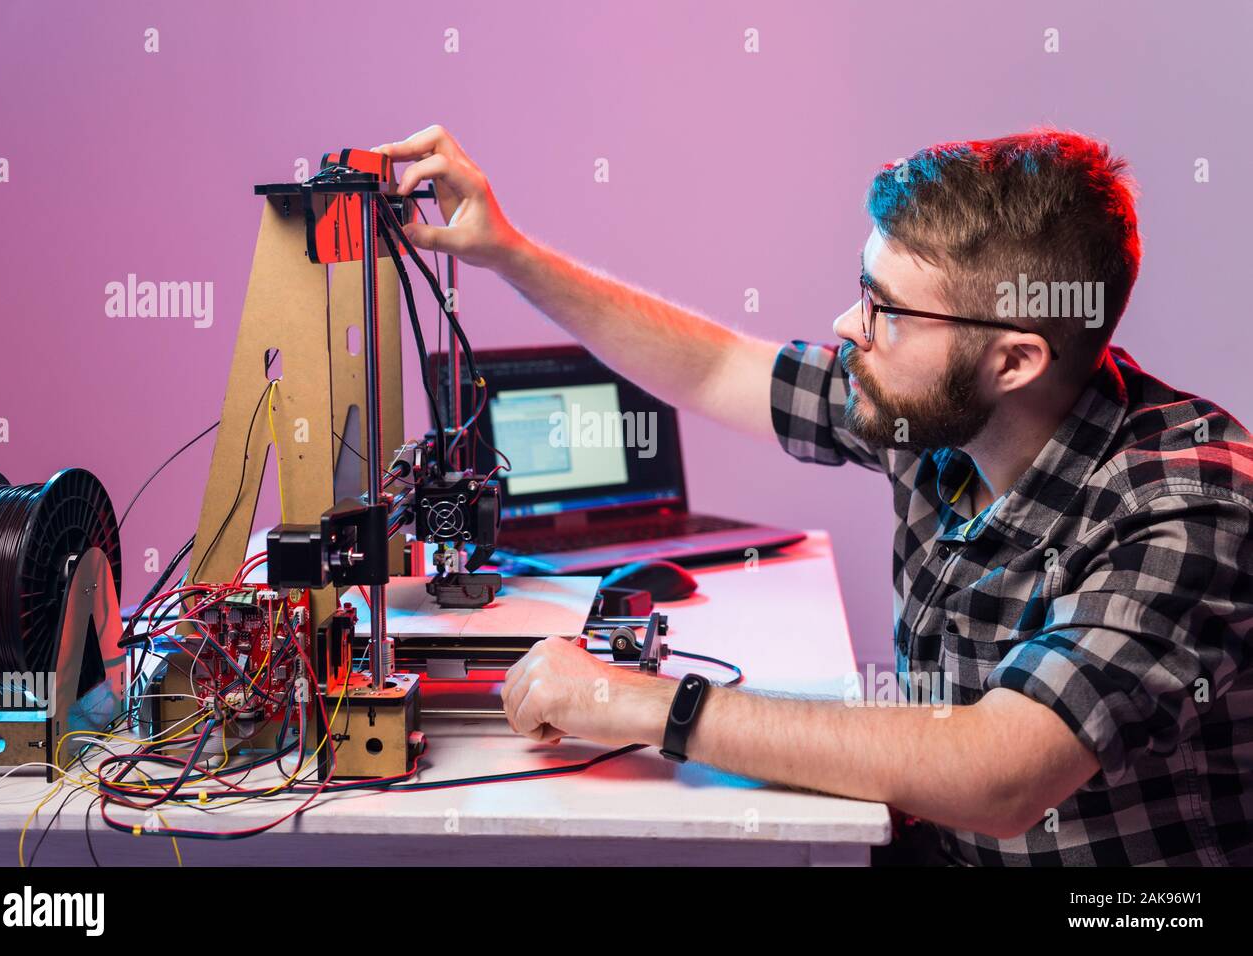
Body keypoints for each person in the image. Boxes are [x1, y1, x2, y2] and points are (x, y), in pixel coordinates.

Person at [374, 126, 1253, 865]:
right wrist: (509, 253)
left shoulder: (1187, 502)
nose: (846, 327)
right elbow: (718, 365)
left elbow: (1000, 773)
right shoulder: (937, 416)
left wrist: (644, 704)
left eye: (884, 311)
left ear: (1015, 358)